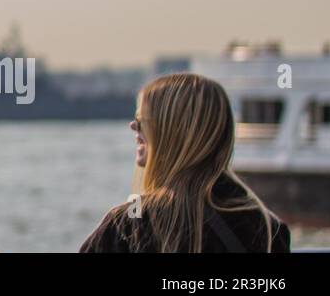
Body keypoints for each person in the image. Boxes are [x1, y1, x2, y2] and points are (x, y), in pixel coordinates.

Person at [80, 72, 289, 253]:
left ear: (173, 132)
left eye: (143, 120)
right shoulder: (267, 228)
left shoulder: (129, 227)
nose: (134, 126)